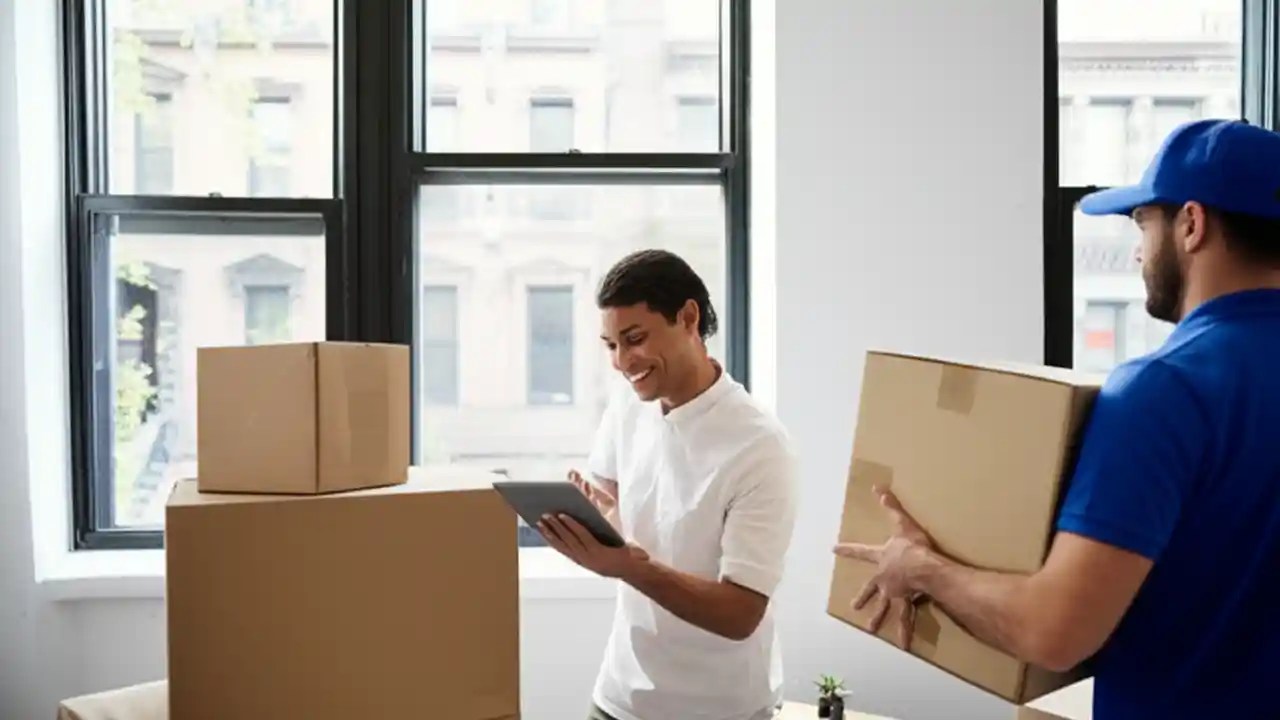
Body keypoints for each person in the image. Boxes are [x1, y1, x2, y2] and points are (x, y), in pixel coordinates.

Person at [833, 118, 1280, 719]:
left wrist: (921, 568)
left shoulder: (1167, 390)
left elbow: (1056, 632)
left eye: (1142, 223)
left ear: (1191, 224)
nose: (1140, 251)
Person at [537, 249, 797, 720]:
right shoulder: (628, 406)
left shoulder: (759, 446)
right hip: (618, 699)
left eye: (634, 339)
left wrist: (631, 567)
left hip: (721, 711)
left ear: (689, 318)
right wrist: (597, 518)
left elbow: (741, 613)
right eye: (611, 345)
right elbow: (618, 505)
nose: (621, 361)